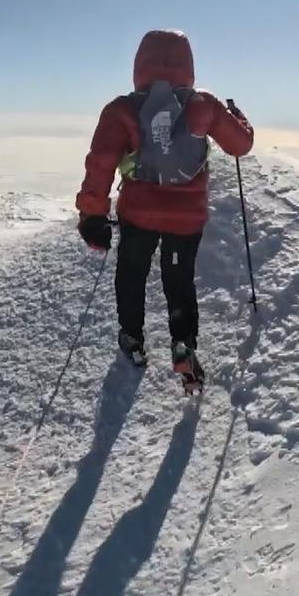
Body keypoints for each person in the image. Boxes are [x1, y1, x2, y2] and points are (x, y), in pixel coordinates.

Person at [75, 29, 255, 385]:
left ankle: (132, 339)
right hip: (185, 220)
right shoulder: (204, 104)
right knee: (179, 279)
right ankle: (183, 346)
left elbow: (100, 164)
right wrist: (239, 115)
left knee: (132, 274)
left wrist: (91, 215)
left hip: (138, 214)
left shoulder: (122, 109)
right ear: (188, 64)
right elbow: (240, 146)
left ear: (140, 64)